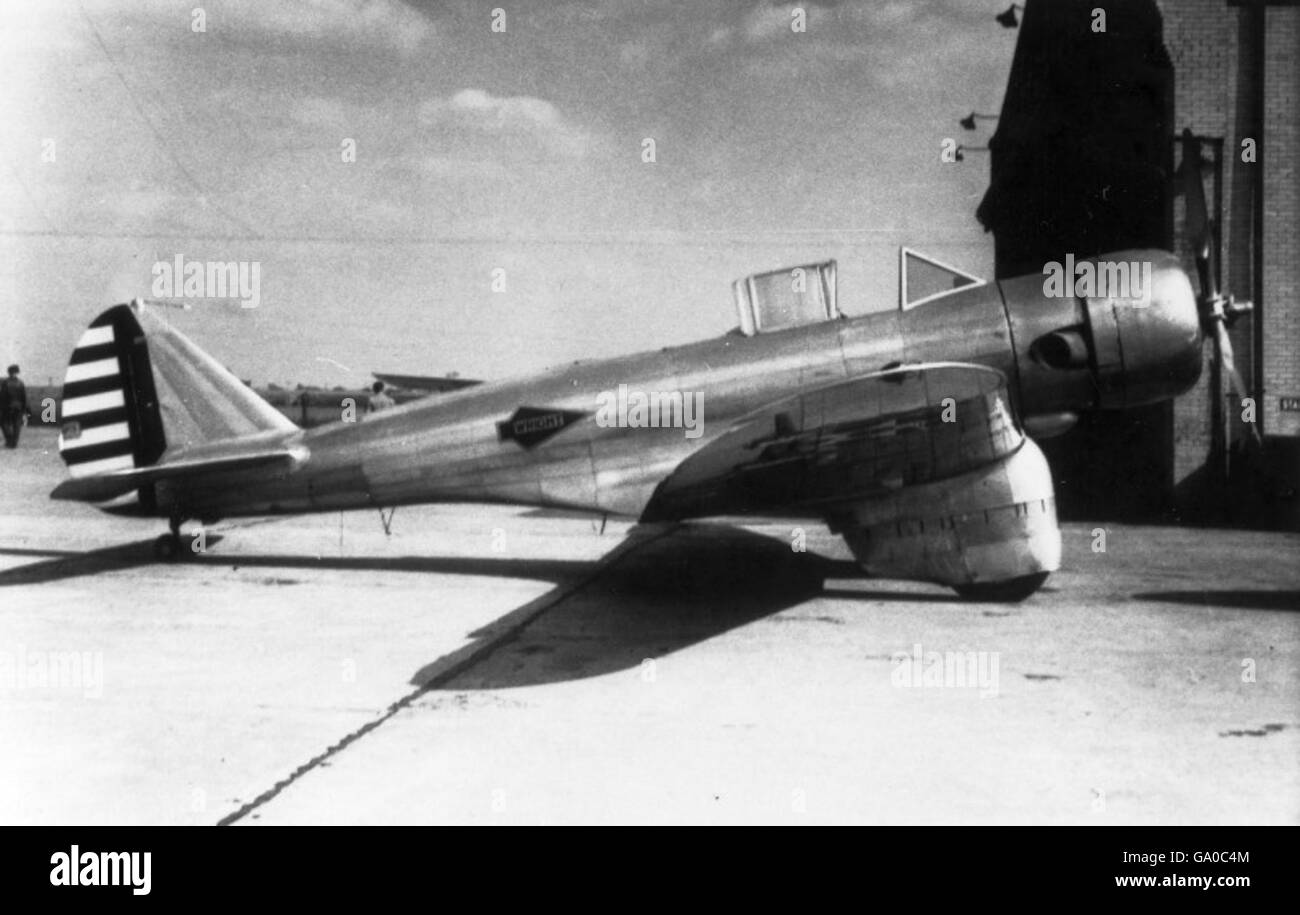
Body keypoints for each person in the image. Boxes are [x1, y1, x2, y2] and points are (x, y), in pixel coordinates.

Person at [1, 364, 30, 448]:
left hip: (8, 407)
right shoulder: (20, 383)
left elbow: (2, 396)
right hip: (19, 407)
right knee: (16, 425)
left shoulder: (5, 382)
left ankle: (9, 440)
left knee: (4, 423)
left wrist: (2, 407)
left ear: (9, 372)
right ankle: (14, 443)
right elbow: (24, 396)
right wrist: (25, 409)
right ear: (17, 372)